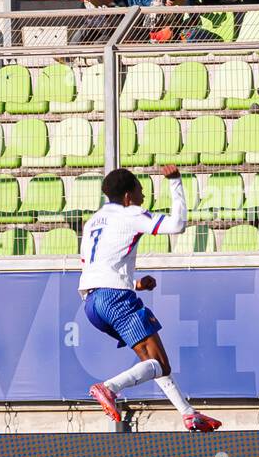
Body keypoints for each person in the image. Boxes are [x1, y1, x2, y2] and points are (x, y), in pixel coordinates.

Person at [82, 166, 222, 433]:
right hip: (116, 299)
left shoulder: (92, 223)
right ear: (127, 196)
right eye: (139, 189)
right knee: (161, 363)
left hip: (92, 303)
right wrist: (175, 183)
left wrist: (135, 283)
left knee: (151, 361)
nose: (143, 194)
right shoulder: (130, 213)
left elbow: (97, 266)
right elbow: (177, 225)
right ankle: (109, 388)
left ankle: (188, 413)